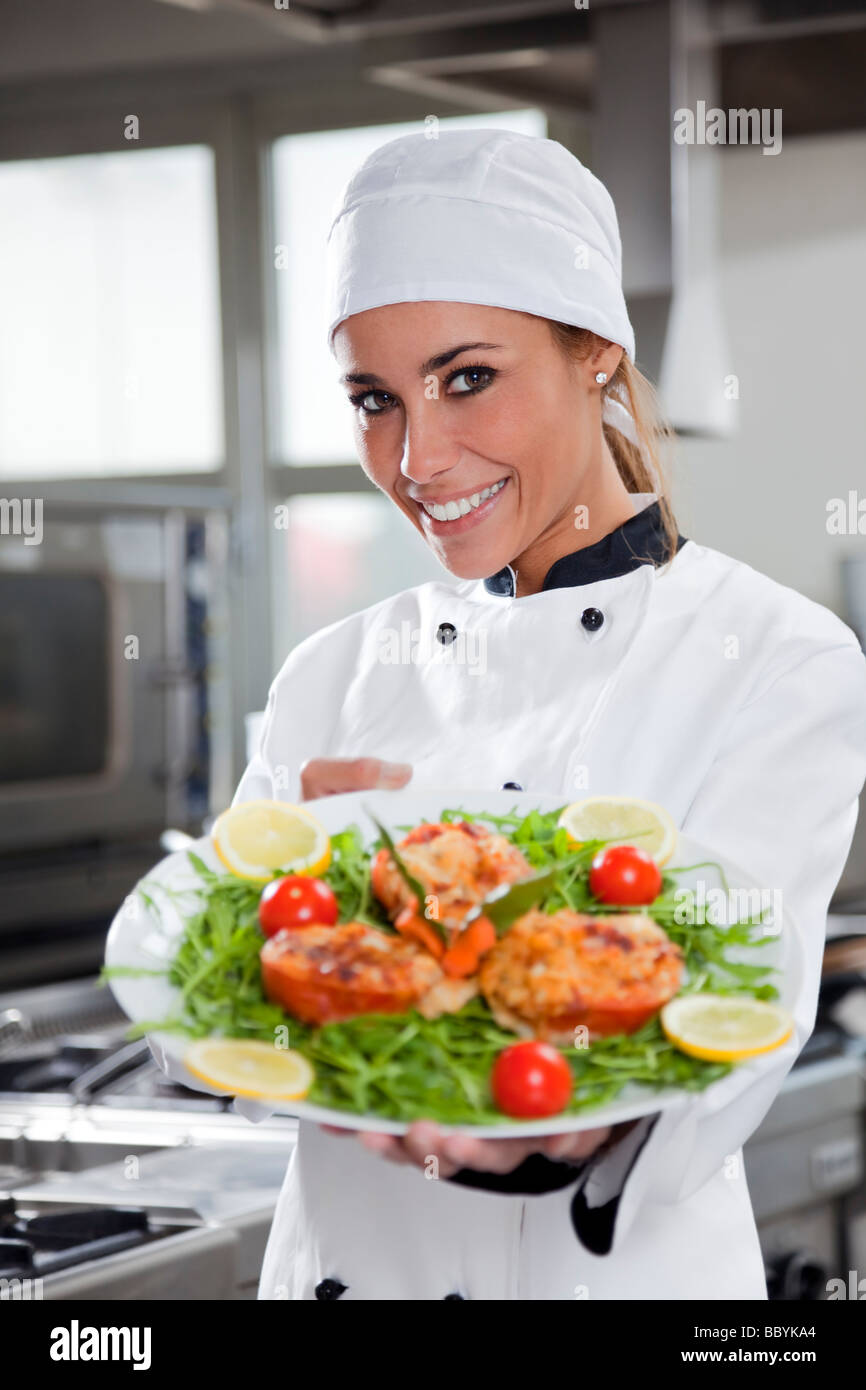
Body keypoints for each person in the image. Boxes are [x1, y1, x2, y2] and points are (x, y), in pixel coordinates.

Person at [230, 128, 866, 1299]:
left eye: (466, 377)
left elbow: (729, 1017)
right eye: (374, 398)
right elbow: (208, 1006)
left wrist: (416, 856)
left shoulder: (777, 659)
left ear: (595, 355)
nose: (416, 455)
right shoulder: (328, 671)